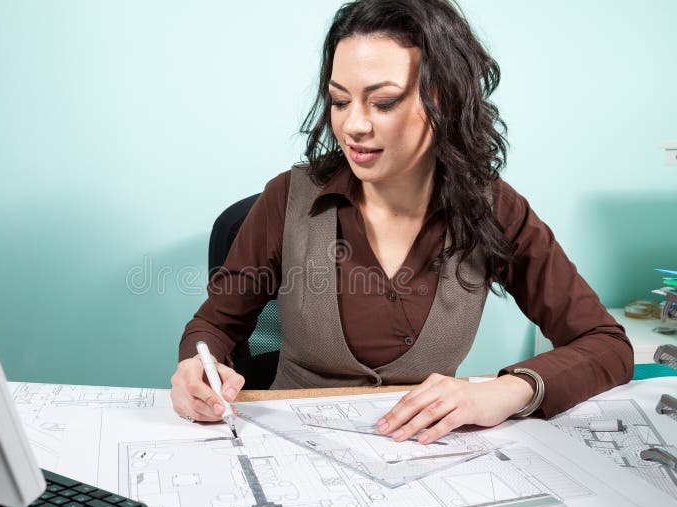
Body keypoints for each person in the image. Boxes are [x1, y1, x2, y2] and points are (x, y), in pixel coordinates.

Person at [170, 0, 633, 444]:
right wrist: (196, 367)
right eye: (339, 101)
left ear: (445, 101)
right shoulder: (287, 198)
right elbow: (213, 328)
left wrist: (507, 391)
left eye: (383, 102)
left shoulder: (494, 209)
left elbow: (606, 343)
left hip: (429, 453)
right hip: (293, 445)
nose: (353, 126)